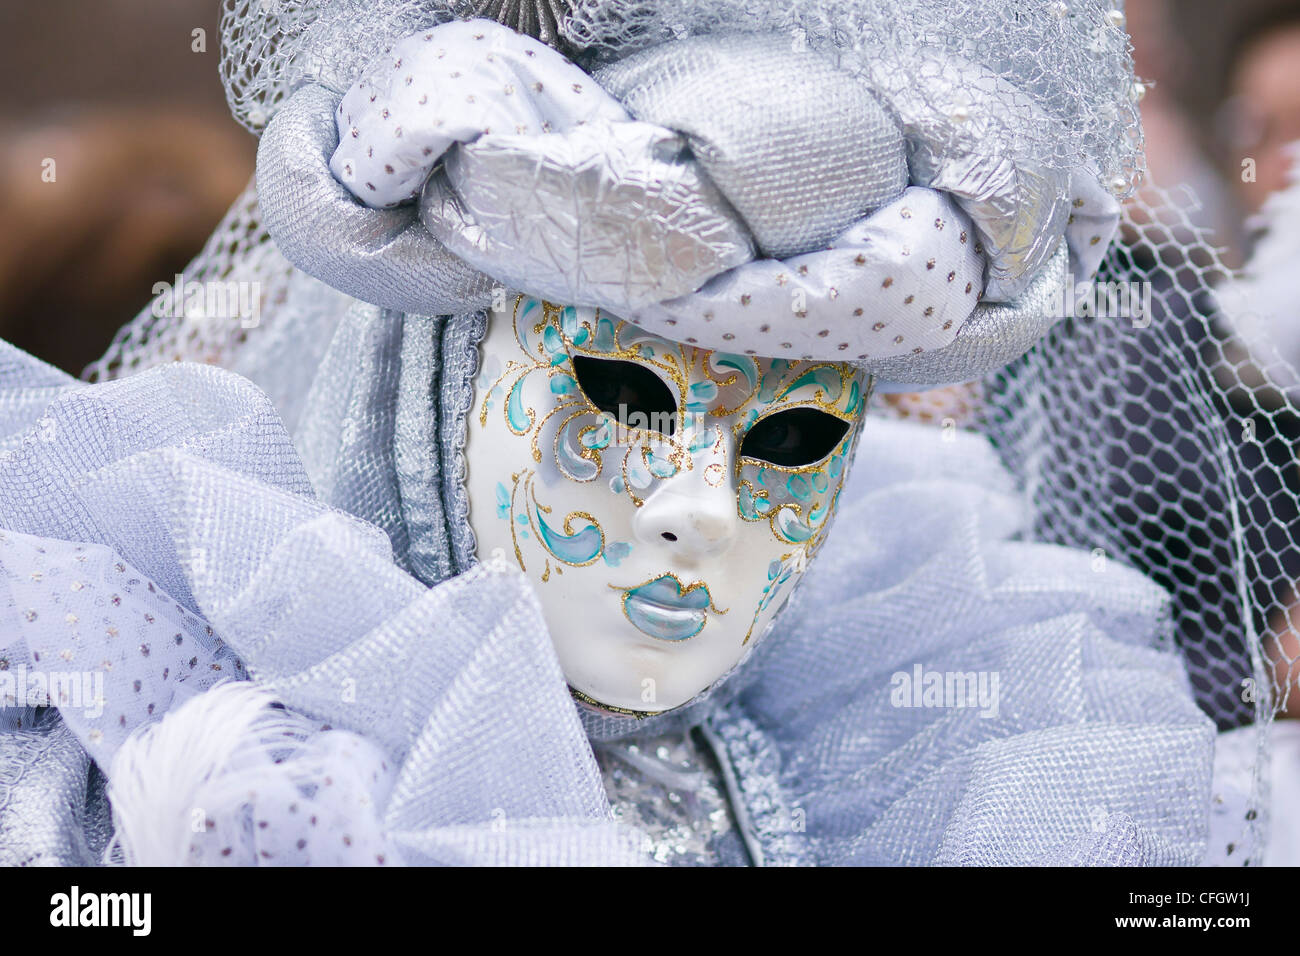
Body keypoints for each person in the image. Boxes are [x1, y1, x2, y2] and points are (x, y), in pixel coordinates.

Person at [0, 0, 1251, 865]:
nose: (697, 509)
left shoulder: (954, 764)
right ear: (440, 371)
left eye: (797, 438)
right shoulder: (182, 771)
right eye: (623, 398)